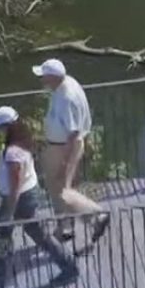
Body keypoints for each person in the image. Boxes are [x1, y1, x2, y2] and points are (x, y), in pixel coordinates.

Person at [0, 108, 80, 286]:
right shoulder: (22, 139)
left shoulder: (13, 151)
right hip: (29, 193)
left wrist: (11, 207)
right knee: (32, 233)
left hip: (19, 199)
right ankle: (69, 267)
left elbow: (16, 180)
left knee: (4, 233)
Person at [32, 59, 108, 248]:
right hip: (64, 146)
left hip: (62, 148)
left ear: (53, 77)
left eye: (44, 76)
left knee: (61, 191)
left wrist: (66, 163)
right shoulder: (68, 84)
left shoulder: (66, 97)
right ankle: (65, 227)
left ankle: (95, 215)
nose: (42, 80)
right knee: (60, 189)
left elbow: (73, 132)